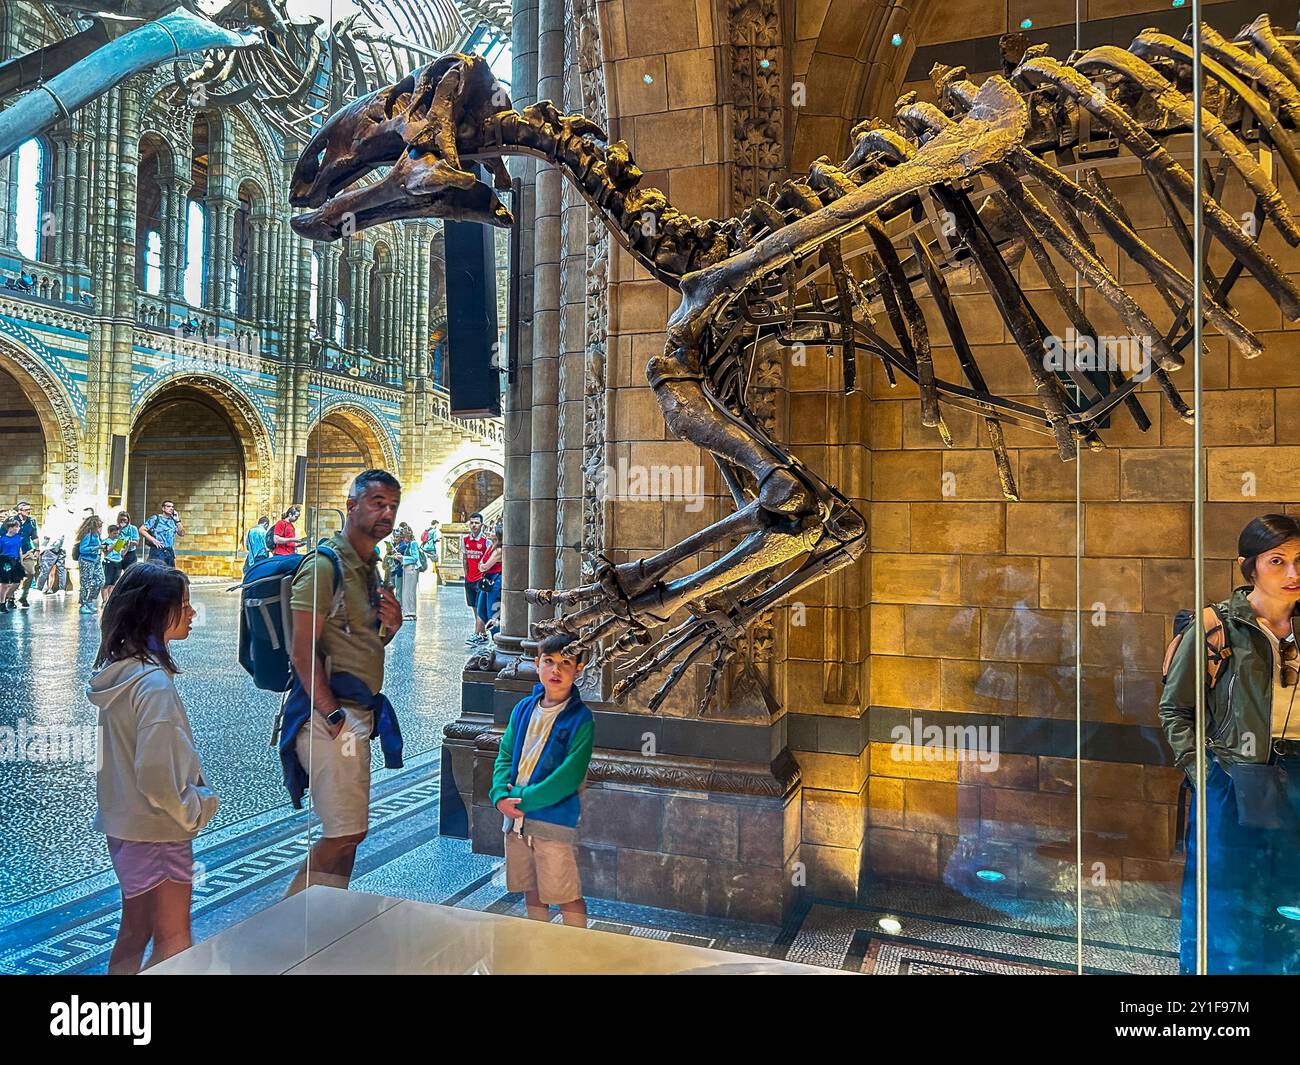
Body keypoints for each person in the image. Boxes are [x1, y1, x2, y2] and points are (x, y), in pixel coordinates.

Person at [1161, 513, 1300, 975]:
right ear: (1251, 567)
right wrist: (1206, 776)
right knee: (1228, 898)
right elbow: (1176, 710)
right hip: (1235, 777)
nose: (1292, 573)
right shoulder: (1218, 626)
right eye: (1277, 561)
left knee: (1290, 894)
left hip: (1297, 776)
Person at [279, 470, 404, 896]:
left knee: (351, 833)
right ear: (351, 506)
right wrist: (332, 713)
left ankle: (327, 923)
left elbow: (363, 641)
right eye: (376, 503)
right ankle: (283, 933)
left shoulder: (369, 567)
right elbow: (301, 648)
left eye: (391, 505)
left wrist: (392, 626)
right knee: (340, 834)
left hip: (356, 715)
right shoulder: (324, 566)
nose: (386, 513)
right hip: (329, 718)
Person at [89, 562, 217, 974]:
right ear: (157, 612)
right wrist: (194, 808)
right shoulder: (154, 685)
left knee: (135, 932)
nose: (192, 612)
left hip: (126, 826)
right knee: (174, 940)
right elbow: (159, 777)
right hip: (158, 829)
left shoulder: (122, 675)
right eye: (183, 604)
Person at [490, 633, 594, 928]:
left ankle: (576, 954)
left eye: (566, 663)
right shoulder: (523, 709)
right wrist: (499, 794)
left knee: (564, 892)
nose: (556, 670)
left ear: (579, 669)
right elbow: (506, 753)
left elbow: (569, 776)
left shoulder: (580, 719)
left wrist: (523, 798)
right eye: (549, 661)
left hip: (553, 820)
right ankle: (540, 946)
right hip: (516, 819)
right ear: (537, 664)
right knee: (532, 888)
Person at [462, 512, 487, 645]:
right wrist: (466, 575)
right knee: (474, 607)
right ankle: (480, 632)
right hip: (469, 579)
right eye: (471, 522)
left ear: (481, 525)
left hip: (480, 579)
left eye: (476, 523)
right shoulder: (465, 539)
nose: (474, 525)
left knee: (480, 606)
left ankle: (478, 634)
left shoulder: (485, 540)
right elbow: (465, 559)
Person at [74, 513, 106, 616]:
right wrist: (96, 548)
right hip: (86, 560)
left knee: (100, 580)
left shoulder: (97, 535)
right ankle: (83, 603)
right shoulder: (88, 535)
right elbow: (83, 549)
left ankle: (90, 599)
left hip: (96, 560)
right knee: (86, 583)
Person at [477, 519, 503, 639]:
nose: (489, 532)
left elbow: (484, 566)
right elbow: (481, 564)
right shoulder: (491, 547)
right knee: (482, 609)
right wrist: (483, 565)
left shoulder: (498, 550)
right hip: (488, 580)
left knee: (493, 611)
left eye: (492, 530)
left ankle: (496, 637)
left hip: (495, 581)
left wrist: (483, 566)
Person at [11, 500, 38, 608]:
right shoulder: (11, 521)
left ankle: (23, 596)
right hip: (13, 551)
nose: (29, 512)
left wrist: (37, 549)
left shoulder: (31, 522)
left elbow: (35, 537)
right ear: (19, 511)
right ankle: (10, 598)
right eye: (26, 510)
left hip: (27, 550)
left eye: (29, 509)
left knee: (31, 573)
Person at [141, 501, 184, 566]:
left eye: (172, 507)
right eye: (168, 506)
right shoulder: (155, 518)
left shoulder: (173, 521)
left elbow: (182, 533)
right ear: (163, 508)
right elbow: (142, 530)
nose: (171, 508)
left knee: (170, 573)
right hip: (157, 550)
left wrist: (177, 520)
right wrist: (153, 540)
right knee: (157, 573)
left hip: (169, 551)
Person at [396, 523, 421, 621]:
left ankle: (410, 612)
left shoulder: (413, 543)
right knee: (406, 591)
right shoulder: (409, 544)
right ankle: (407, 612)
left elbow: (415, 558)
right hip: (407, 568)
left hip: (412, 569)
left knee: (410, 591)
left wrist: (403, 558)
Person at [0, 518, 24, 613]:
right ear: (10, 528)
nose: (18, 528)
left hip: (15, 560)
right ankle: (2, 603)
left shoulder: (18, 538)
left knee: (17, 582)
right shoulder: (3, 539)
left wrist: (21, 562)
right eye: (16, 527)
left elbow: (19, 550)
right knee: (5, 583)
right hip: (5, 560)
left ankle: (5, 597)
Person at [101, 523, 126, 603]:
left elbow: (119, 552)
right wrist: (115, 544)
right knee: (106, 583)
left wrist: (126, 547)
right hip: (109, 562)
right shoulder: (105, 541)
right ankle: (105, 600)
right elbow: (106, 552)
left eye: (117, 533)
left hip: (117, 562)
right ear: (109, 532)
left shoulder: (118, 541)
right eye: (114, 533)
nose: (116, 535)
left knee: (113, 583)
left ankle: (110, 601)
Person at [420, 520, 440, 586]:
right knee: (436, 559)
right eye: (437, 524)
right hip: (431, 548)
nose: (437, 526)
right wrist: (439, 539)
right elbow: (435, 539)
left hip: (424, 547)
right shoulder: (434, 531)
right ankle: (438, 577)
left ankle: (426, 569)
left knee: (427, 558)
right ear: (435, 524)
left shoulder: (427, 530)